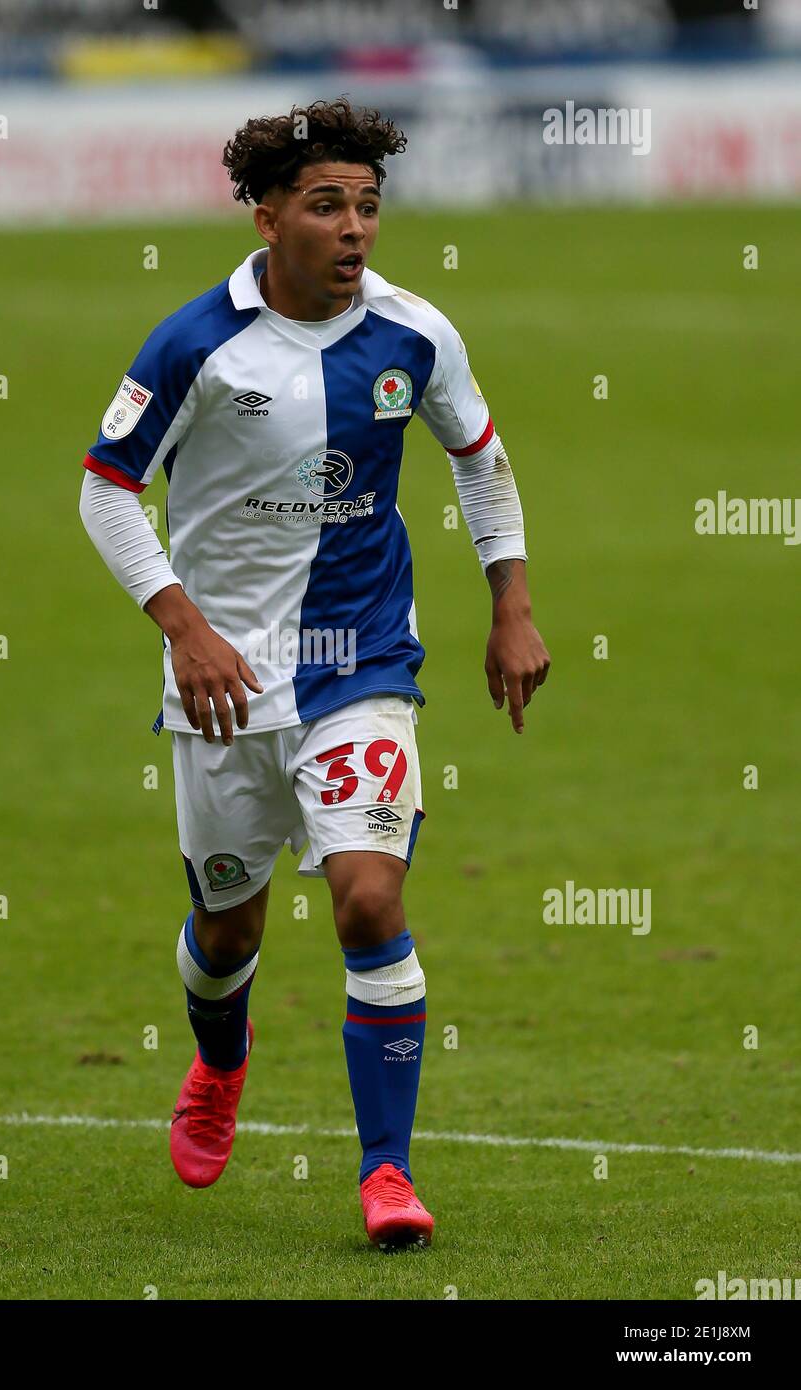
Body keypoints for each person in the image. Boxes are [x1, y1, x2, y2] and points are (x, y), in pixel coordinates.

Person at [79, 97, 550, 1251]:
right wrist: (184, 628)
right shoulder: (194, 344)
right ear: (267, 215)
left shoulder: (413, 335)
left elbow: (478, 464)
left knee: (370, 898)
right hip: (226, 685)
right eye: (327, 205)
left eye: (368, 206)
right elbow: (104, 489)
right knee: (226, 934)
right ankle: (217, 1062)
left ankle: (386, 1174)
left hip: (361, 664)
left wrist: (511, 607)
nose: (354, 229)